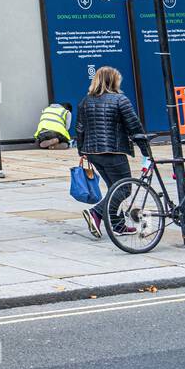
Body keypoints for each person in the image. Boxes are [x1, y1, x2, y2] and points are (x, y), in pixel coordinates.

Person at [76, 66, 150, 239]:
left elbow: (79, 128)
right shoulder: (120, 100)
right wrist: (146, 151)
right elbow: (134, 127)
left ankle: (118, 225)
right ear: (114, 81)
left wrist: (82, 151)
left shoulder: (85, 101)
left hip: (93, 152)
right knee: (124, 189)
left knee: (114, 187)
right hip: (113, 152)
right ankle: (96, 212)